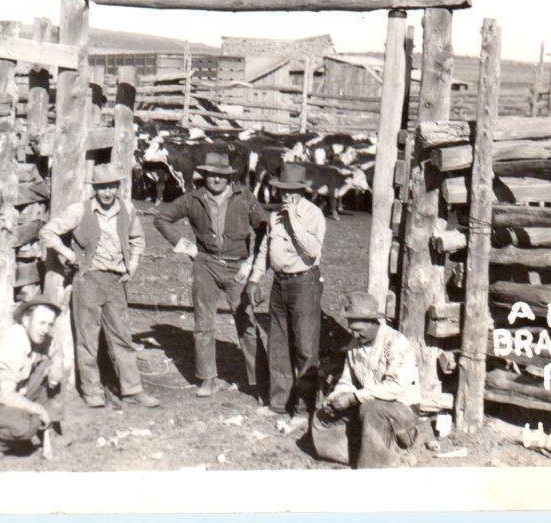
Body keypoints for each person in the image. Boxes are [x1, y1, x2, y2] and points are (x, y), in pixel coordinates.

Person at [39, 164, 160, 408]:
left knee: (122, 338)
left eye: (111, 186)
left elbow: (137, 239)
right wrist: (69, 255)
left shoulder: (127, 209)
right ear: (95, 188)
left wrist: (132, 265)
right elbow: (47, 232)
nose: (107, 192)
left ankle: (132, 389)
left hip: (116, 281)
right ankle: (92, 391)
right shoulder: (79, 210)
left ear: (118, 186)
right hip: (88, 280)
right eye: (102, 187)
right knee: (88, 339)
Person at [153, 151, 269, 397]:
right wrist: (188, 248)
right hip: (205, 264)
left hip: (238, 268)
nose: (215, 179)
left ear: (229, 177)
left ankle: (259, 380)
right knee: (203, 323)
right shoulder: (193, 199)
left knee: (247, 323)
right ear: (204, 175)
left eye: (220, 175)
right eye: (210, 175)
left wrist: (252, 262)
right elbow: (162, 218)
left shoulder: (244, 197)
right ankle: (207, 378)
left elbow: (263, 229)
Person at [248, 163, 327, 416]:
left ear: (300, 191)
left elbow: (312, 251)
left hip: (305, 283)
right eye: (281, 189)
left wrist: (293, 220)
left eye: (290, 190)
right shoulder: (274, 217)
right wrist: (255, 278)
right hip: (279, 283)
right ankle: (279, 402)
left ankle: (304, 407)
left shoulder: (313, 214)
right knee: (278, 345)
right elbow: (264, 250)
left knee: (305, 346)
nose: (284, 195)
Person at [311, 292, 421, 469]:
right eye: (352, 329)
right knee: (322, 414)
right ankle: (372, 455)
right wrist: (336, 398)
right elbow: (347, 380)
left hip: (402, 412)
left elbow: (394, 388)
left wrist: (354, 398)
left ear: (373, 322)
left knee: (370, 409)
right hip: (367, 405)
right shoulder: (355, 345)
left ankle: (373, 465)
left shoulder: (395, 341)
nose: (355, 335)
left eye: (359, 330)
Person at [0, 296, 64, 458]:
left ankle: (49, 430)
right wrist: (38, 409)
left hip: (9, 391)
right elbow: (6, 396)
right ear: (26, 320)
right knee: (26, 425)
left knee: (50, 367)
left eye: (50, 324)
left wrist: (57, 365)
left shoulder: (34, 334)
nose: (45, 329)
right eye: (41, 323)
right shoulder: (13, 346)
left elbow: (55, 347)